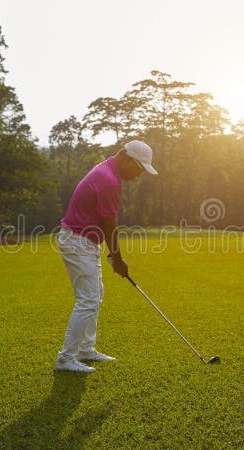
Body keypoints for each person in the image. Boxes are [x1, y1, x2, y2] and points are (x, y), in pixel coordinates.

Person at [55, 140, 158, 372]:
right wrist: (118, 259)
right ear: (128, 159)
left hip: (85, 240)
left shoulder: (107, 170)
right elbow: (110, 225)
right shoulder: (109, 180)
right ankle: (66, 358)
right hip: (78, 240)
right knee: (88, 299)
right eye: (139, 168)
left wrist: (112, 256)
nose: (139, 174)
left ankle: (85, 349)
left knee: (95, 294)